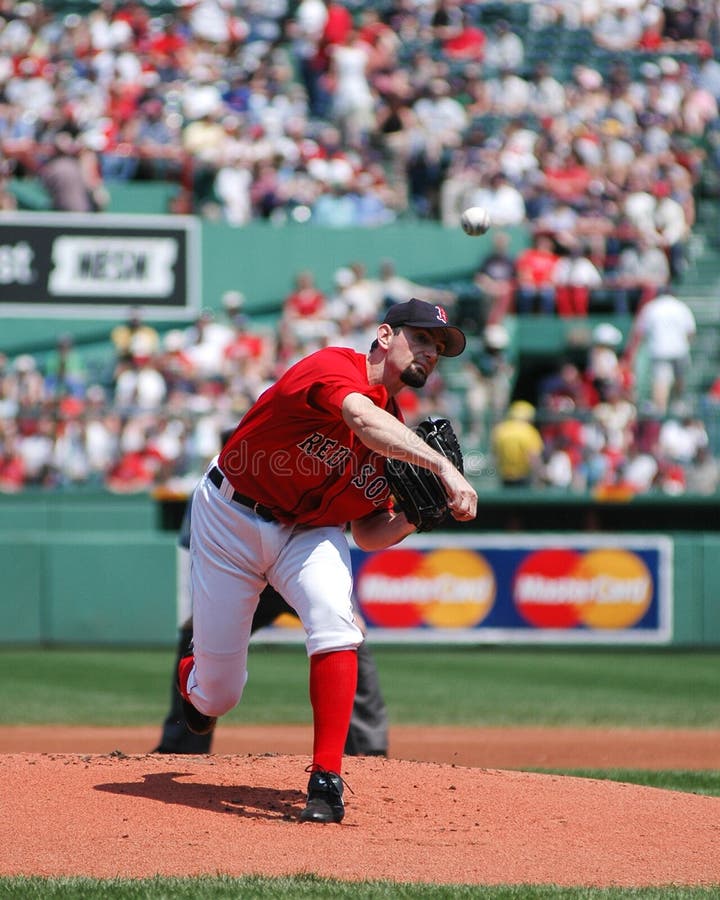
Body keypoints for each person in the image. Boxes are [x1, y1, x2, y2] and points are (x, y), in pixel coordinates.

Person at [177, 298, 477, 824]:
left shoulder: (396, 432)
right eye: (422, 339)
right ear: (385, 335)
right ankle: (195, 683)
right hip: (232, 517)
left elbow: (366, 533)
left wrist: (418, 517)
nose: (431, 353)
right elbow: (358, 417)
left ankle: (326, 778)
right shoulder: (334, 368)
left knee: (336, 623)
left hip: (310, 532)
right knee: (218, 696)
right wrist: (444, 469)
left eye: (439, 348)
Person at [154, 486, 389, 758]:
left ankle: (368, 752)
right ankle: (182, 747)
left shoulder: (320, 460)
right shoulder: (223, 478)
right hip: (245, 569)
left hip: (302, 562)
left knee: (348, 637)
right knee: (195, 639)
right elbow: (203, 543)